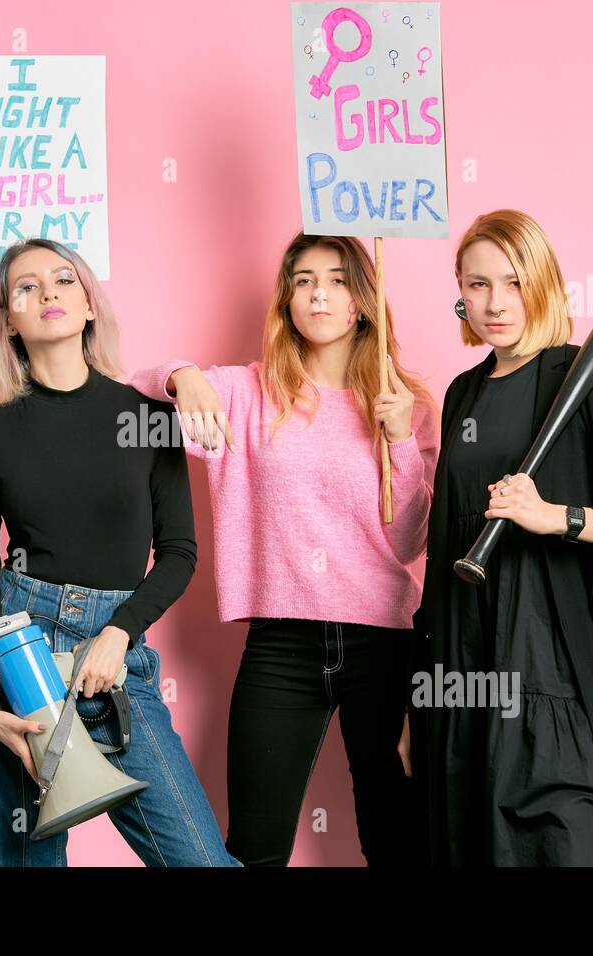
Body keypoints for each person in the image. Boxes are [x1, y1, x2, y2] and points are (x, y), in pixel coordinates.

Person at [125, 231, 440, 865]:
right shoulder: (246, 392)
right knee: (256, 845)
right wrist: (184, 376)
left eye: (336, 278)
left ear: (361, 300)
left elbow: (410, 539)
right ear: (287, 300)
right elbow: (135, 387)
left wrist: (402, 439)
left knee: (395, 838)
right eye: (302, 280)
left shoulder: (406, 404)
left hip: (384, 641)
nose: (318, 291)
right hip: (282, 642)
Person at [411, 209, 593, 866]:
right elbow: (443, 551)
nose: (494, 303)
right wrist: (417, 704)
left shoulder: (592, 382)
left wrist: (559, 517)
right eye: (478, 285)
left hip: (555, 682)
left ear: (543, 284)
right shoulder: (463, 395)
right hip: (468, 690)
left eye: (513, 283)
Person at [0, 238, 235, 866]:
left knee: (199, 859)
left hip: (116, 658)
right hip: (18, 653)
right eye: (25, 288)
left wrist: (119, 633)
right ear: (9, 321)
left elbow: (181, 553)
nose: (47, 292)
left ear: (87, 305)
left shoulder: (149, 417)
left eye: (62, 279)